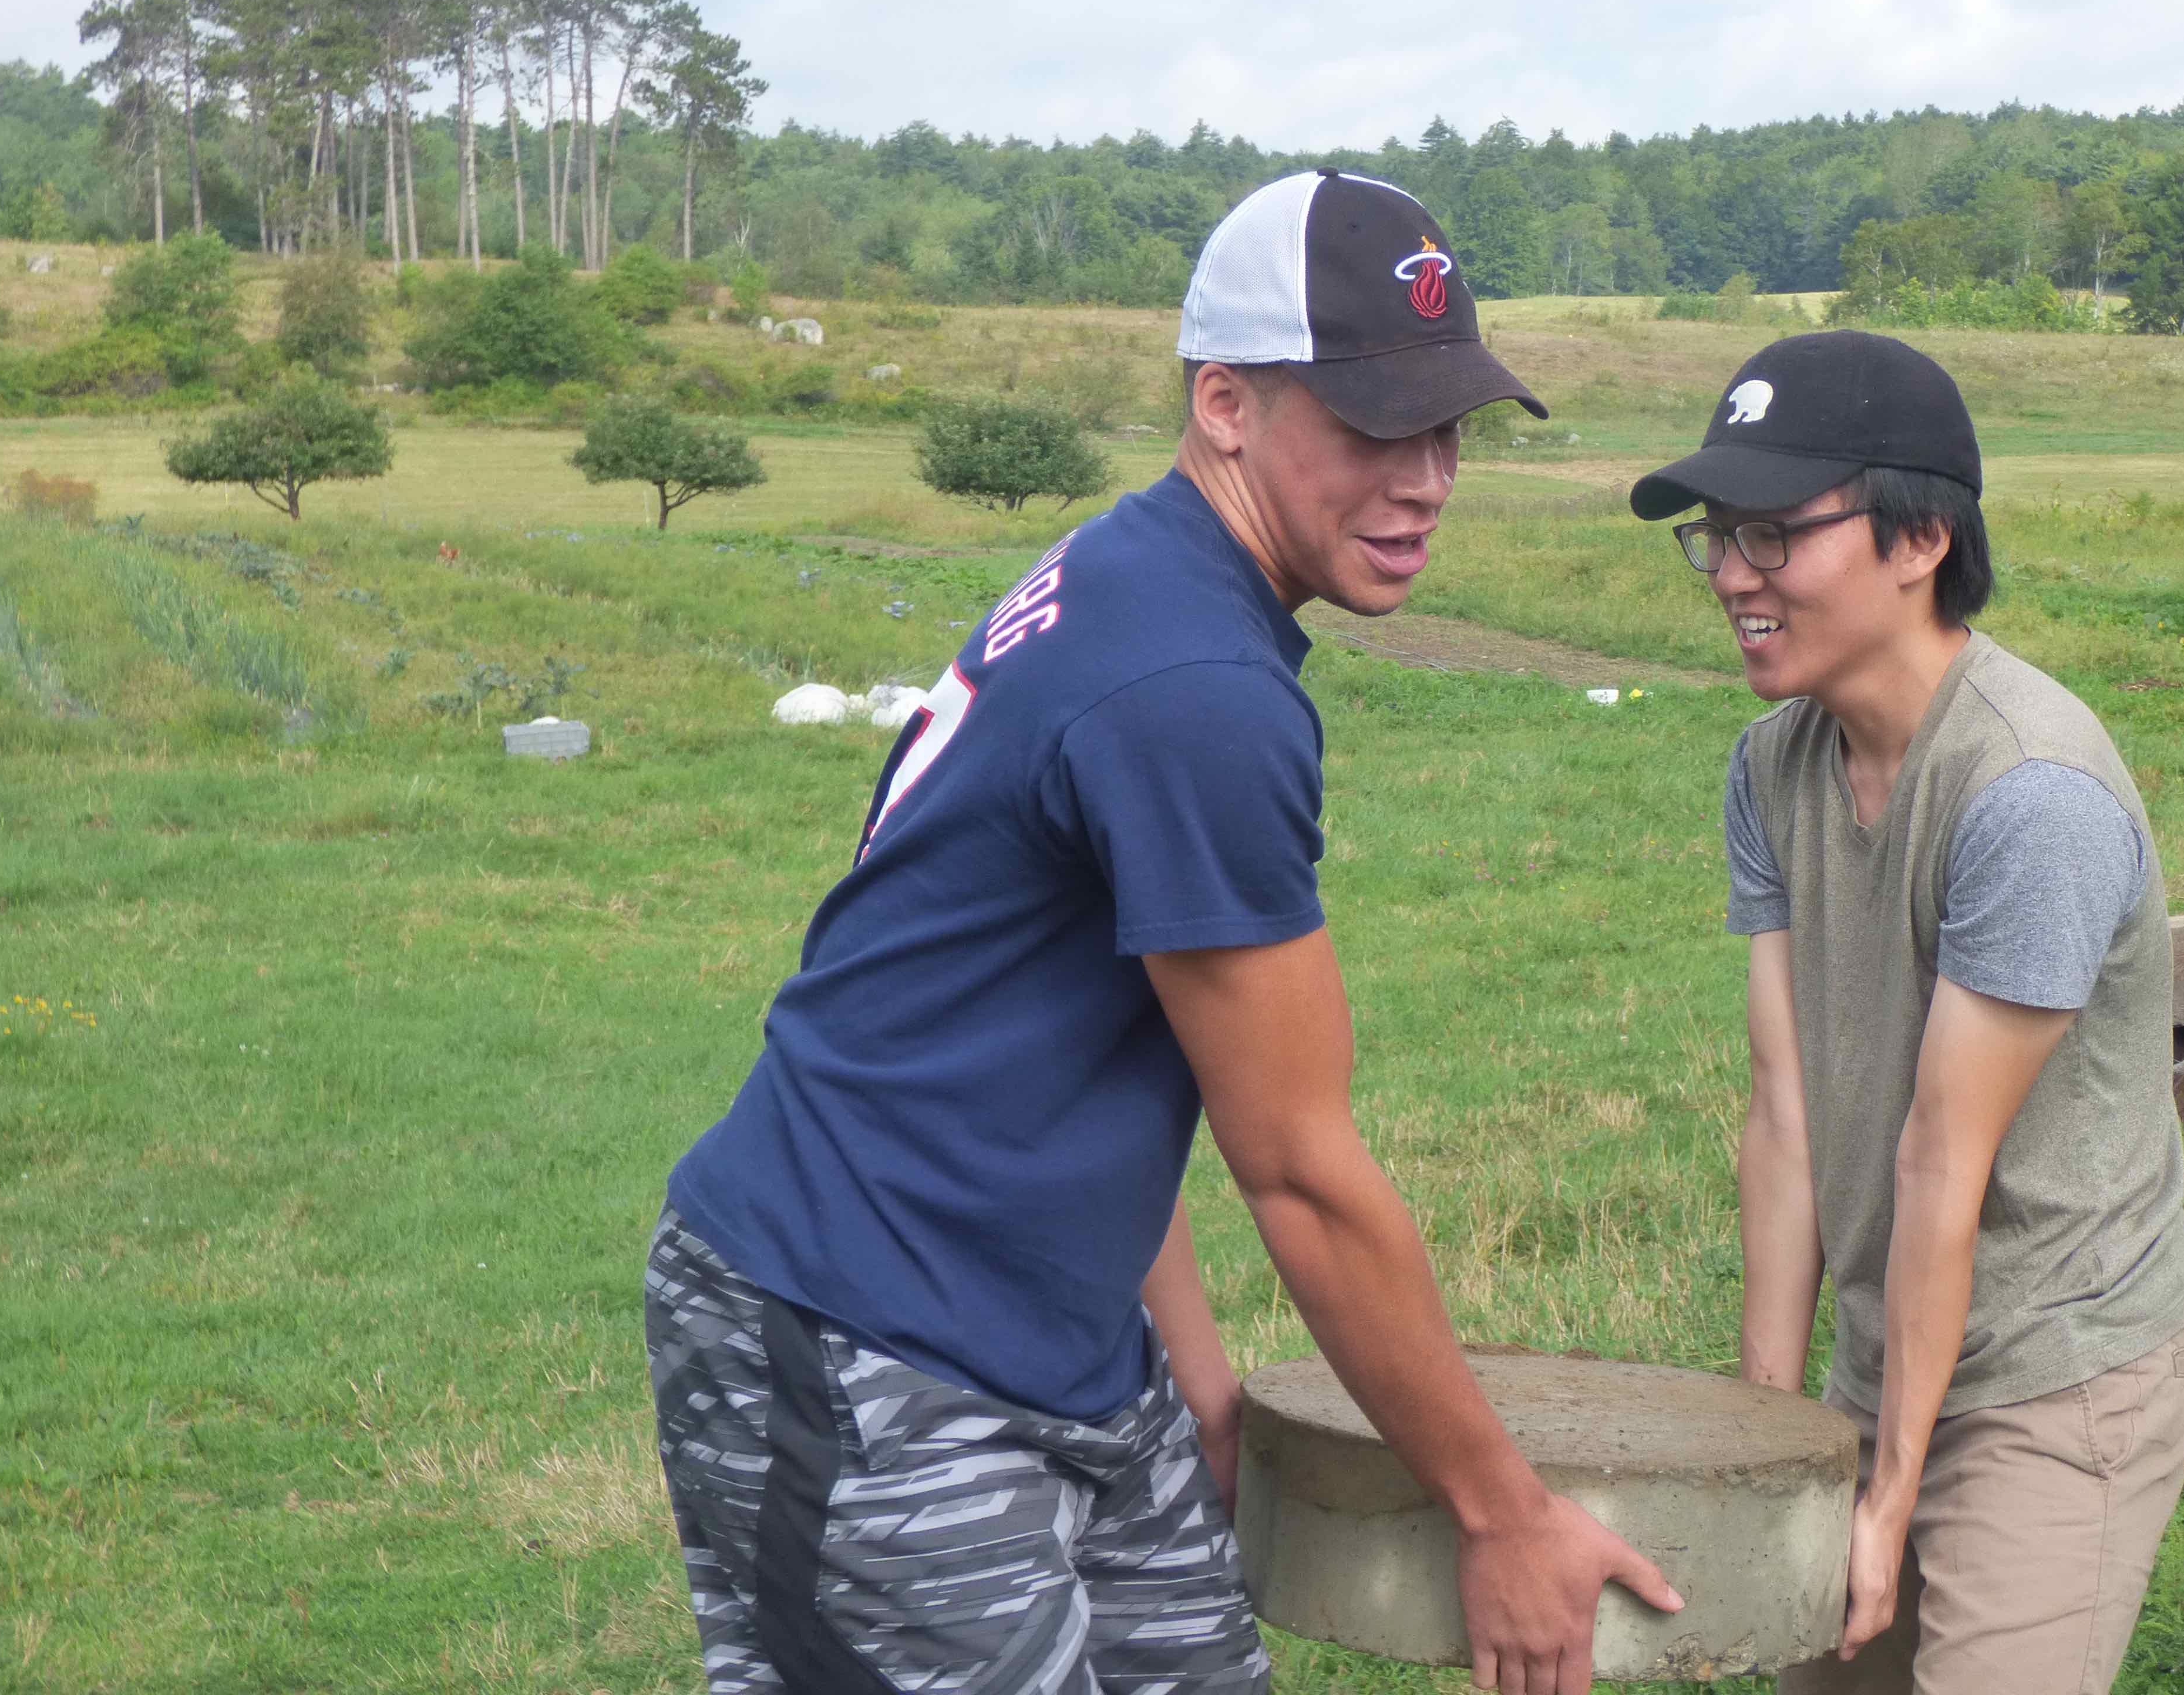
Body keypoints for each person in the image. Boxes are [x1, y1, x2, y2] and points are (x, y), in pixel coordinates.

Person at [650, 169, 1678, 1695]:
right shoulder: (1191, 682)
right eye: (1375, 428)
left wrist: (1190, 1367)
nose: (1427, 478)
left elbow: (1112, 1034)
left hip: (1060, 1337)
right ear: (1225, 405)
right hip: (856, 1325)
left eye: (1447, 426)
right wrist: (1502, 1514)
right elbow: (1303, 1174)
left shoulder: (1144, 574)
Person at [1628, 331, 2184, 1695]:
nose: (1730, 577)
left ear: (1920, 539)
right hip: (1885, 1352)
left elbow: (1943, 1164)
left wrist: (1887, 1500)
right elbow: (1783, 1121)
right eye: (1717, 538)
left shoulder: (2029, 797)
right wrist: (1767, 1456)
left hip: (2059, 1374)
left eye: (1773, 537)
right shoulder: (1775, 763)